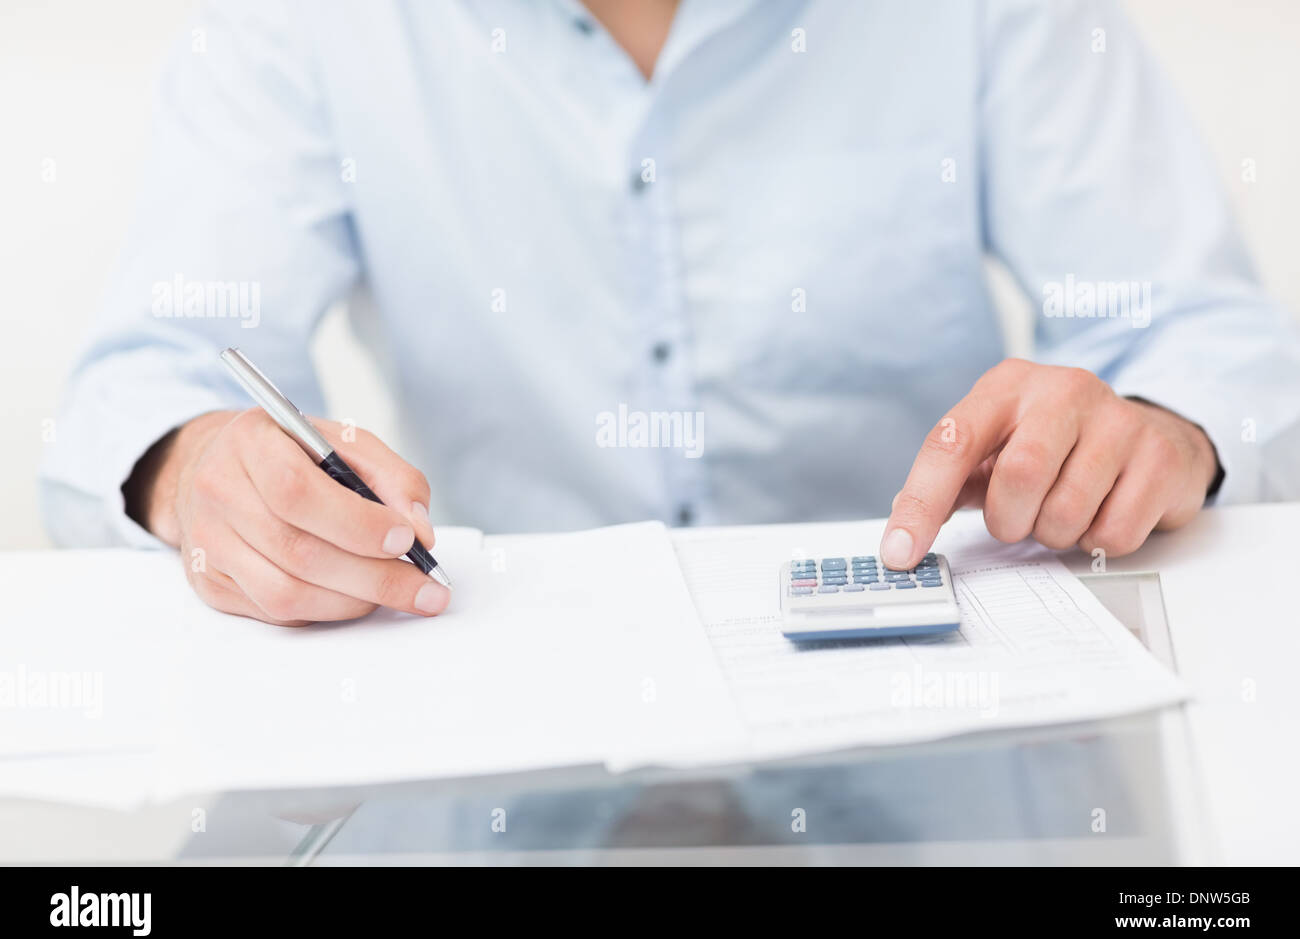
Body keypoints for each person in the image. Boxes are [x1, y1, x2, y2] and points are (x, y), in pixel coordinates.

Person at [40, 0, 1300, 626]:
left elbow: (1207, 337)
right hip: (502, 713)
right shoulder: (305, 26)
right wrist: (198, 467)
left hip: (935, 679)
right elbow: (136, 386)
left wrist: (1158, 426)